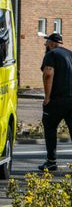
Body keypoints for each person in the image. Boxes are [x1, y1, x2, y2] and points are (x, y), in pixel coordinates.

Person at [39, 32, 72, 171]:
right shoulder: (70, 54)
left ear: (52, 43)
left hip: (57, 100)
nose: (45, 44)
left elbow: (48, 74)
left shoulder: (51, 54)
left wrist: (47, 97)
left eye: (47, 42)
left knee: (50, 127)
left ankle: (51, 161)